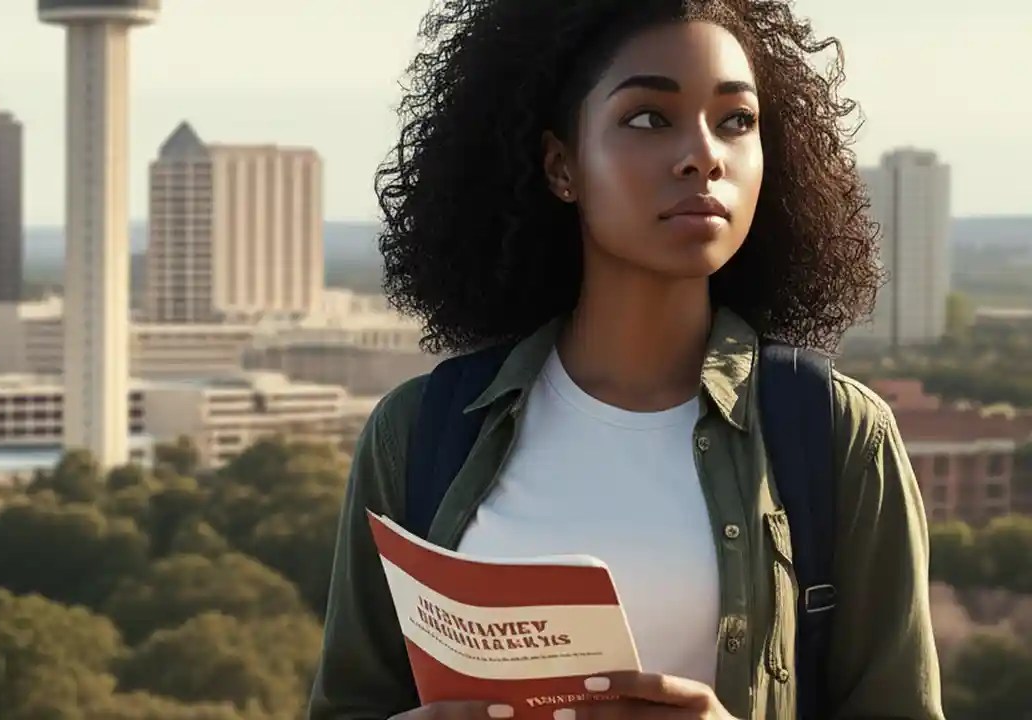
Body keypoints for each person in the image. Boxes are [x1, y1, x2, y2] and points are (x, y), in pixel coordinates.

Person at [309, 1, 944, 719]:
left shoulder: (835, 435)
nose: (704, 154)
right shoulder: (421, 433)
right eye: (649, 118)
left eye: (736, 121)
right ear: (561, 166)